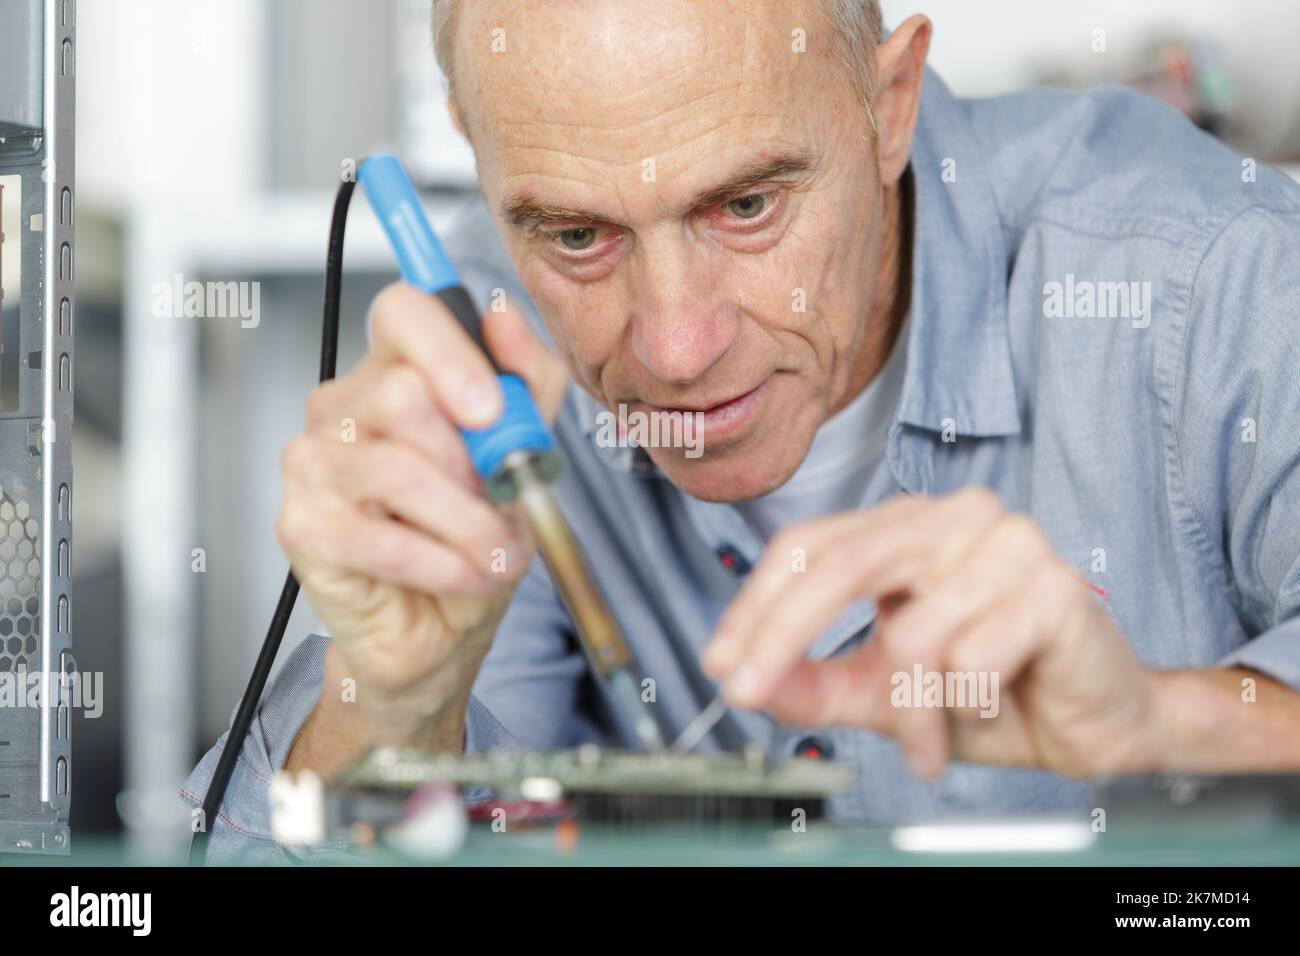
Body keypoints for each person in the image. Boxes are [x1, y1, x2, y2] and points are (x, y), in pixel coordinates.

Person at [183, 0, 1300, 862]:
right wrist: (391, 700)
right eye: (578, 233)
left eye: (748, 206)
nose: (673, 346)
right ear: (480, 156)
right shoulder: (488, 351)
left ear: (891, 103)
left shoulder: (1212, 275)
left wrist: (1157, 720)